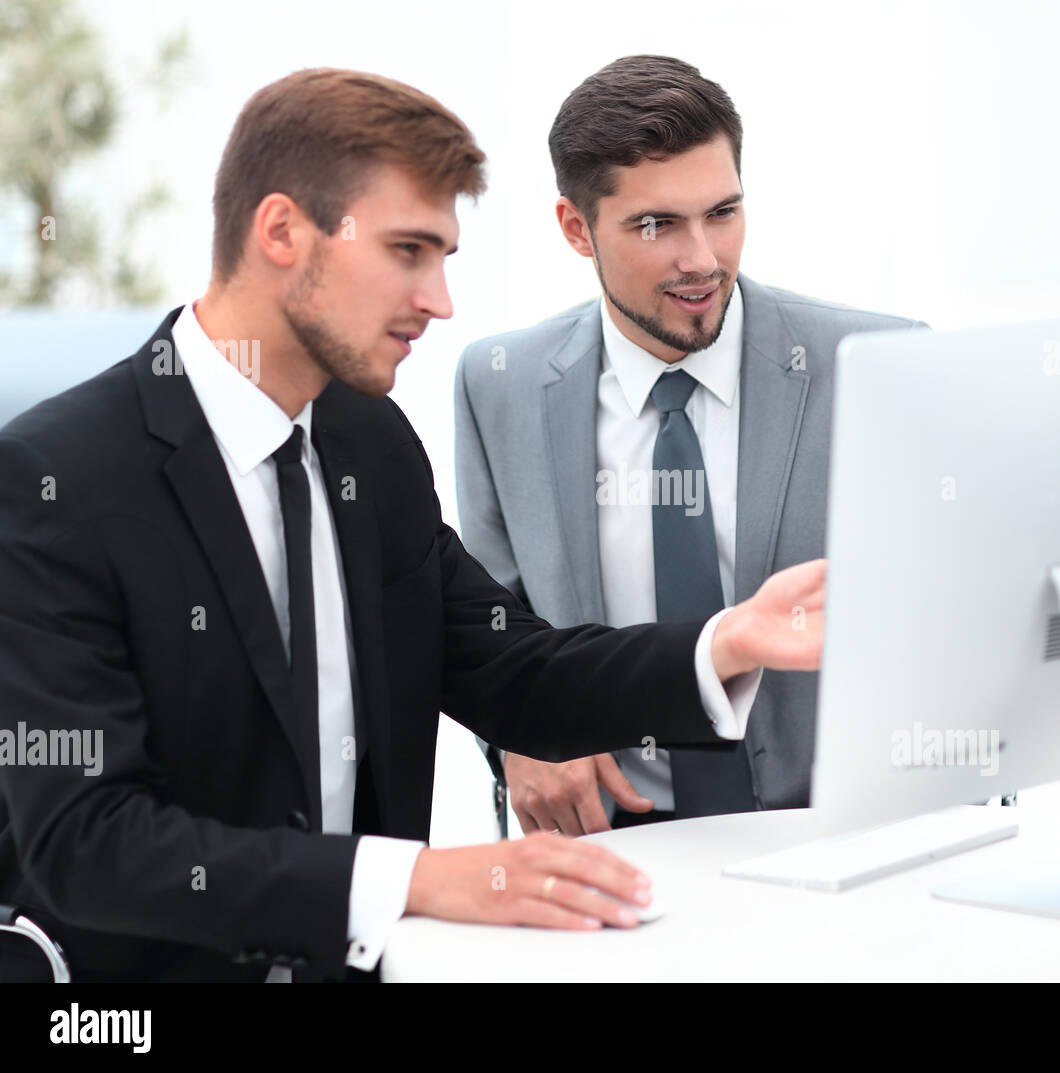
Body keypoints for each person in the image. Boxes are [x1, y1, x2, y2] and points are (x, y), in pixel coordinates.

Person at [0, 68, 825, 983]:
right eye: (408, 252)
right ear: (281, 232)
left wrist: (728, 641)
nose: (440, 301)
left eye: (445, 258)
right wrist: (415, 881)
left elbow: (515, 670)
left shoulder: (368, 443)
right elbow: (87, 840)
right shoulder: (57, 477)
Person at [456, 55, 925, 835]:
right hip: (610, 851)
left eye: (723, 212)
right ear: (577, 229)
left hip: (838, 837)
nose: (703, 259)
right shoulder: (497, 382)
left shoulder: (880, 365)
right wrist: (512, 734)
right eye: (656, 224)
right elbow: (486, 632)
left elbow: (945, 622)